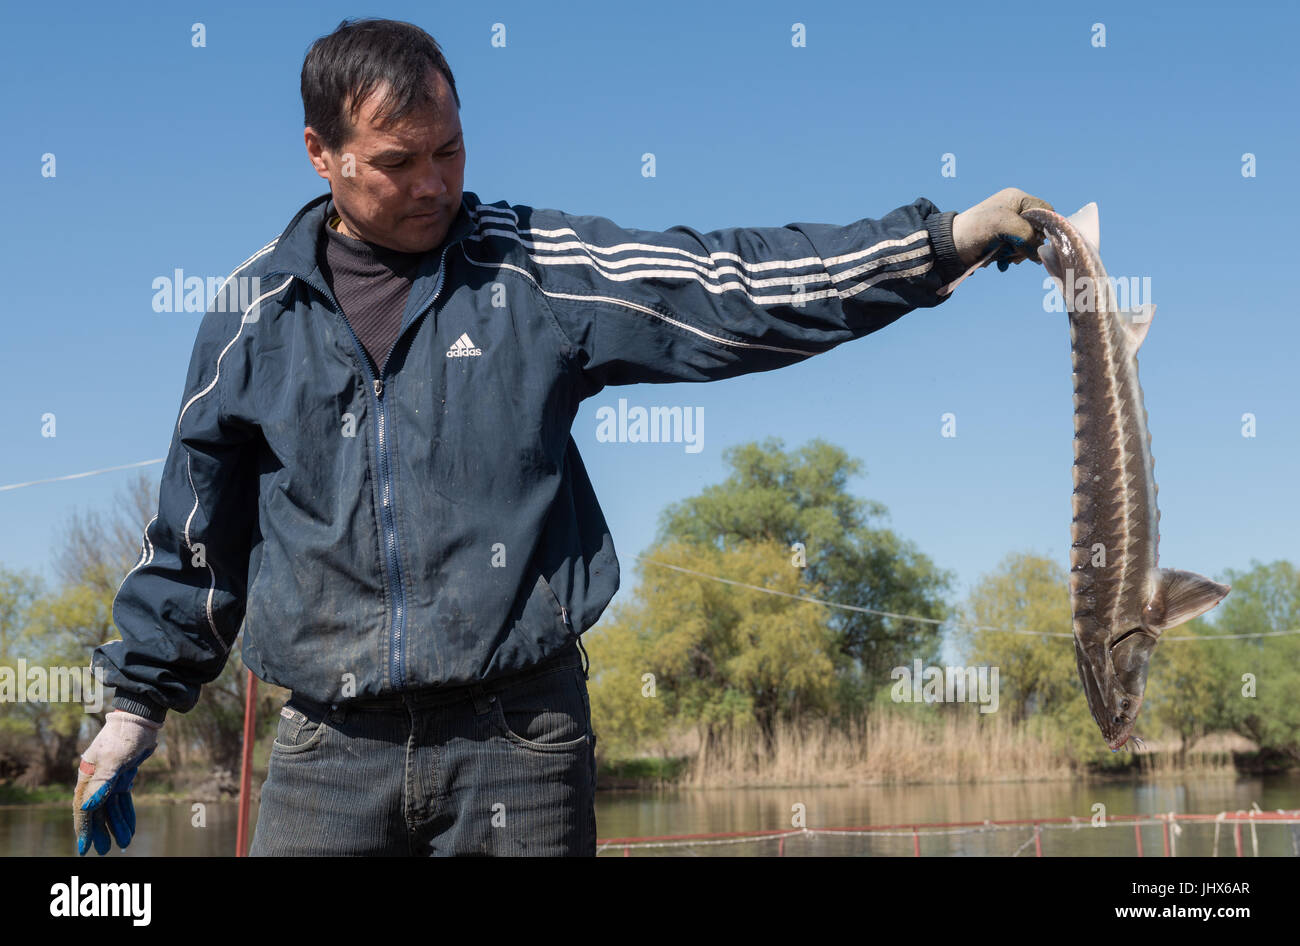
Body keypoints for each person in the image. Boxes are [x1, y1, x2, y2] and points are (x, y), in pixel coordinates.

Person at [74, 17, 1052, 857]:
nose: (432, 185)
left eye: (449, 151)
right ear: (319, 154)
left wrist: (936, 242)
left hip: (520, 738)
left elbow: (725, 285)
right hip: (329, 751)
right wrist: (131, 712)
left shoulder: (533, 268)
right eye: (396, 163)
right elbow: (196, 542)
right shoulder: (256, 313)